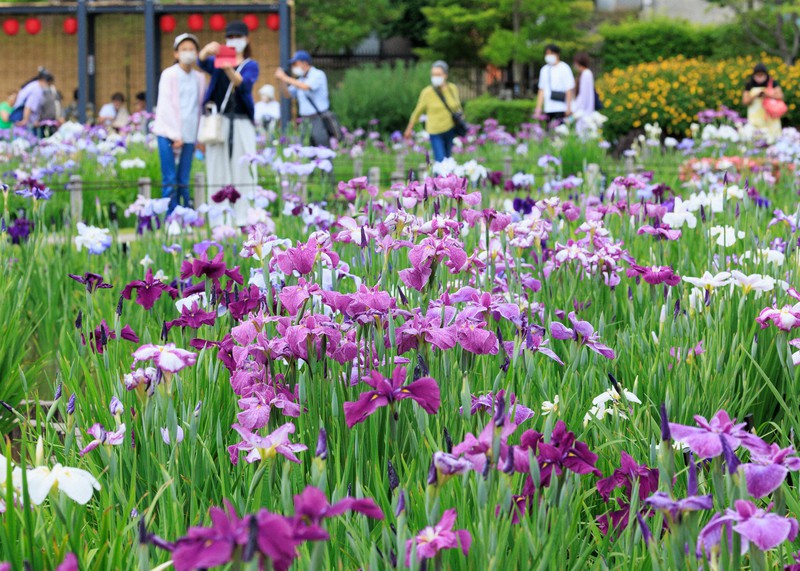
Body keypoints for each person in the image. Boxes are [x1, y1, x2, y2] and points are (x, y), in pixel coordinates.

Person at [198, 20, 259, 226]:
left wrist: (228, 68)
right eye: (230, 37)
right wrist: (206, 51)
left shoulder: (251, 65)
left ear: (246, 39)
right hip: (219, 122)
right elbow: (201, 62)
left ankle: (245, 217)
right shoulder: (216, 62)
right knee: (217, 167)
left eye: (237, 37)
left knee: (243, 168)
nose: (234, 41)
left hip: (241, 121)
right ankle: (219, 219)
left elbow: (244, 84)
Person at [152, 33, 206, 214]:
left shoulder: (199, 77)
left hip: (190, 133)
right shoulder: (169, 74)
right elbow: (166, 105)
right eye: (184, 49)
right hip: (168, 133)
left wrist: (199, 135)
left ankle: (185, 213)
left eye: (192, 49)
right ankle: (170, 215)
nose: (188, 53)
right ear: (176, 53)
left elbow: (199, 107)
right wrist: (175, 134)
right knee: (169, 177)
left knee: (184, 178)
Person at [404, 60, 463, 163]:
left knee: (448, 160)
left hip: (450, 128)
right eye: (434, 74)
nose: (436, 77)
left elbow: (457, 107)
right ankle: (436, 179)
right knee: (440, 160)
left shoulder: (452, 88)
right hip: (435, 130)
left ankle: (448, 179)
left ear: (445, 75)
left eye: (438, 74)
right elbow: (417, 111)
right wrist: (409, 128)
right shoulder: (427, 92)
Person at [275, 50, 331, 147]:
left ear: (304, 63)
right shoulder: (300, 79)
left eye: (295, 64)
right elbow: (287, 94)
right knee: (306, 151)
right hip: (305, 120)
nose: (294, 67)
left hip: (317, 118)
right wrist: (282, 81)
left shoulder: (318, 74)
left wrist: (285, 77)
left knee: (322, 150)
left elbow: (305, 86)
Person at [534, 44, 576, 124]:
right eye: (547, 54)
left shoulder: (564, 68)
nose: (548, 56)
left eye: (551, 53)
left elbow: (569, 89)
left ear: (557, 54)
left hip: (561, 107)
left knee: (561, 131)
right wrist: (538, 108)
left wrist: (568, 107)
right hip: (548, 107)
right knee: (549, 132)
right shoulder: (544, 69)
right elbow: (541, 90)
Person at [743, 62, 784, 142]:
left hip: (770, 115)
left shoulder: (772, 83)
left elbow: (780, 96)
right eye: (757, 75)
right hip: (755, 116)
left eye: (761, 75)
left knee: (772, 138)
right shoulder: (750, 84)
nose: (759, 77)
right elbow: (745, 101)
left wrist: (767, 95)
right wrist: (755, 96)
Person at [572, 52, 596, 136]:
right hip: (583, 111)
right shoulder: (584, 74)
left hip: (584, 112)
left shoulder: (586, 74)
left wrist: (574, 108)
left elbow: (584, 95)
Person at [38, 73, 62, 138]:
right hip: (45, 121)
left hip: (51, 120)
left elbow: (58, 106)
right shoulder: (44, 92)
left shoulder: (52, 92)